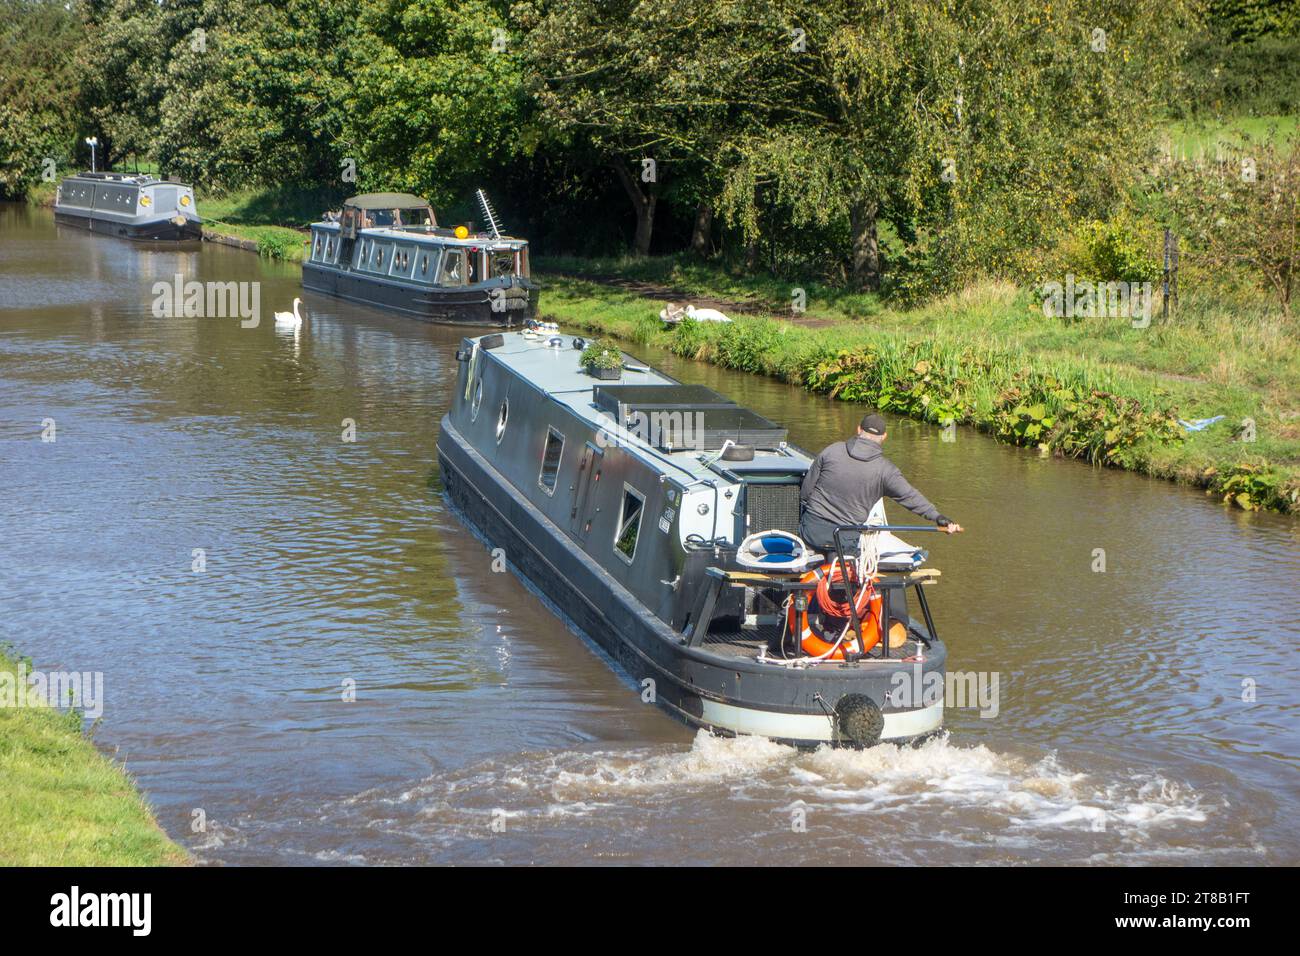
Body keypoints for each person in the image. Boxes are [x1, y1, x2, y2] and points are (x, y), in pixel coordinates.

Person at [799, 412, 962, 552]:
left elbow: (806, 491)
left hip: (812, 530)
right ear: (884, 437)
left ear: (858, 430)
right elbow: (910, 497)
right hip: (845, 537)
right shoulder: (886, 471)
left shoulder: (832, 450)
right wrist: (938, 517)